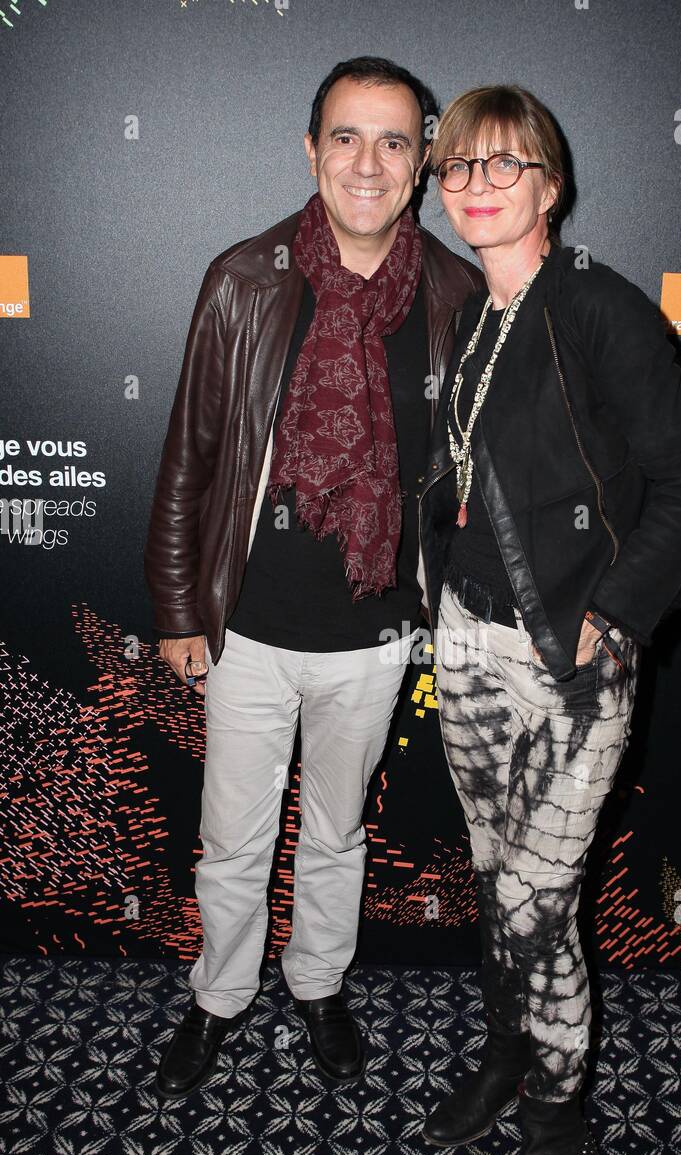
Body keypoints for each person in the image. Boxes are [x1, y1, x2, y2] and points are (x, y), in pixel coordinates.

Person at [144, 56, 484, 1101]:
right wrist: (173, 607)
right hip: (245, 627)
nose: (368, 162)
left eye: (393, 141)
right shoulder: (243, 278)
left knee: (337, 833)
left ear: (420, 162)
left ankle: (320, 984)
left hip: (376, 634)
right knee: (229, 843)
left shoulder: (453, 292)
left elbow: (469, 470)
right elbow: (192, 454)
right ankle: (217, 1001)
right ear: (310, 150)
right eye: (345, 136)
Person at [418, 85, 681, 1155]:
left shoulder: (600, 309)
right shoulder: (469, 317)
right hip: (469, 640)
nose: (475, 185)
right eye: (456, 168)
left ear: (548, 184)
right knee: (498, 885)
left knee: (539, 905)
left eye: (502, 166)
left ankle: (558, 1142)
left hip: (569, 661)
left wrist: (614, 613)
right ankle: (507, 1060)